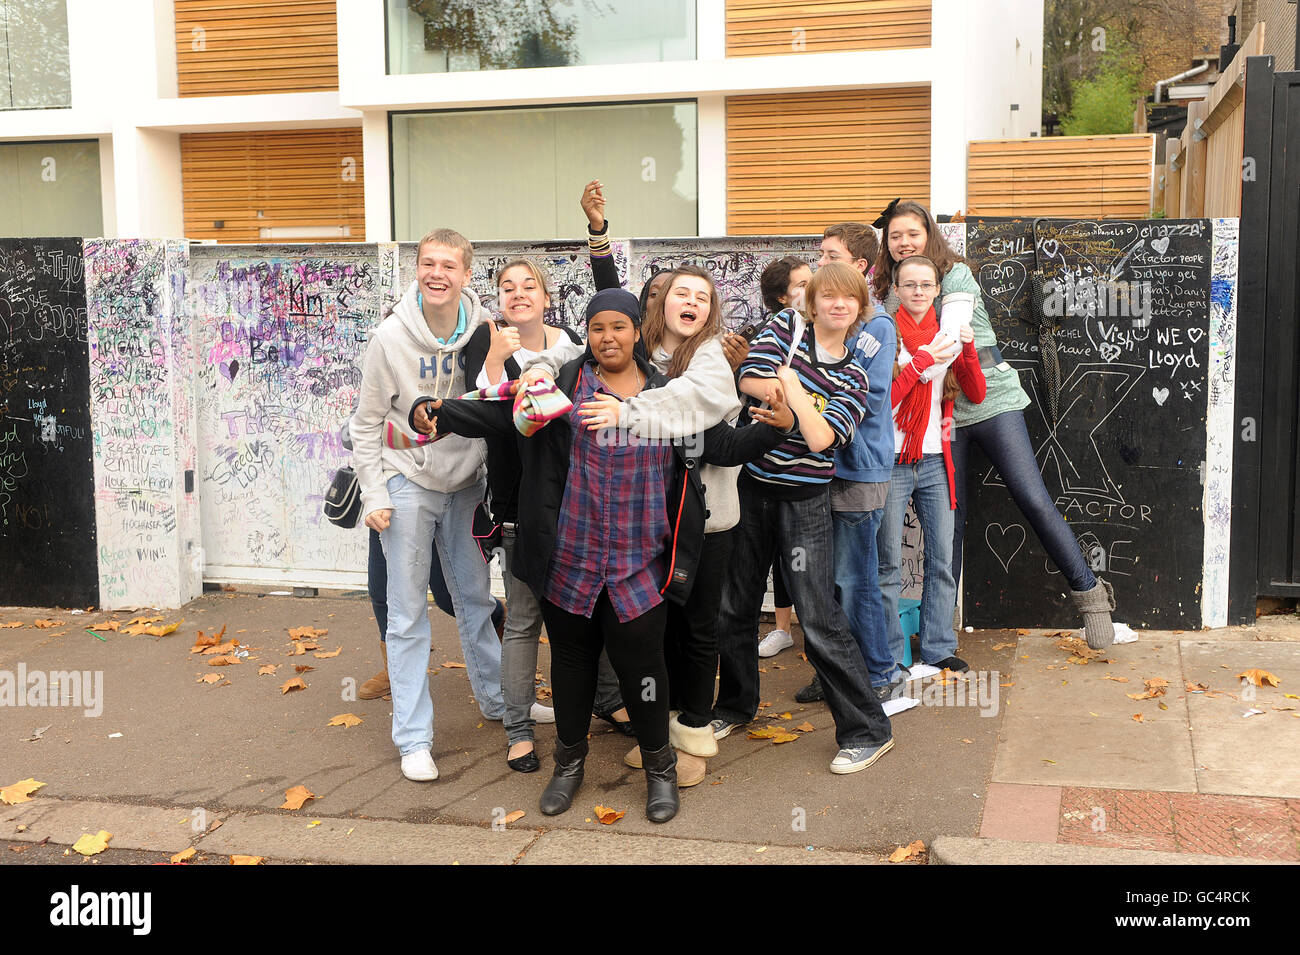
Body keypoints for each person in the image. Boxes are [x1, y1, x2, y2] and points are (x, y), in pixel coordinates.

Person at [417, 288, 787, 822]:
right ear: (586, 335)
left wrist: (773, 432)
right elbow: (500, 415)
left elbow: (721, 447)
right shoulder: (560, 388)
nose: (607, 337)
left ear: (638, 332)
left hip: (642, 561)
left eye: (619, 326)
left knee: (646, 665)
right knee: (570, 663)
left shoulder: (665, 396)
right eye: (597, 328)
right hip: (573, 557)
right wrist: (437, 413)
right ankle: (569, 765)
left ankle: (661, 770)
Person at [871, 199, 1119, 650]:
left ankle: (1092, 598)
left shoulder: (957, 274)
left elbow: (947, 339)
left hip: (989, 397)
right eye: (895, 237)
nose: (905, 243)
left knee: (1031, 496)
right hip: (939, 415)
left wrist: (909, 365)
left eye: (913, 233)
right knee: (950, 519)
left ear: (929, 234)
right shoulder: (892, 293)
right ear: (886, 245)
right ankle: (938, 638)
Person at [712, 262, 895, 775]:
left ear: (859, 309)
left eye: (849, 299)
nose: (838, 305)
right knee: (735, 605)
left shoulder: (856, 372)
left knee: (819, 616)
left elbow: (821, 439)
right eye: (828, 297)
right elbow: (749, 378)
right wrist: (794, 403)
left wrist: (789, 392)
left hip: (806, 500)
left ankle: (868, 730)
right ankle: (734, 706)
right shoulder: (784, 330)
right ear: (811, 303)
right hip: (752, 488)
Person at [461, 258, 630, 772]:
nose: (518, 294)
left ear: (546, 295)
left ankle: (605, 697)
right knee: (524, 619)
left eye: (528, 285)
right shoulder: (487, 344)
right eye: (506, 287)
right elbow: (486, 414)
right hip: (519, 504)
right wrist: (495, 361)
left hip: (578, 502)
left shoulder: (574, 346)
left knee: (590, 609)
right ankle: (518, 728)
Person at [351, 228, 503, 783]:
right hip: (407, 482)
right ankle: (414, 739)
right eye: (427, 264)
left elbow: (504, 393)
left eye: (448, 266)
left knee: (475, 598)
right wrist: (374, 494)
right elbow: (366, 422)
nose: (437, 274)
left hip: (465, 481)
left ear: (466, 274)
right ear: (417, 269)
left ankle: (500, 703)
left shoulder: (485, 332)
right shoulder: (389, 338)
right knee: (408, 610)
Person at [878, 255, 985, 674]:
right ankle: (889, 655)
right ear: (897, 291)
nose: (919, 292)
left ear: (938, 290)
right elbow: (881, 401)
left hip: (936, 460)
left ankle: (939, 646)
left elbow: (975, 393)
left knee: (941, 557)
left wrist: (969, 346)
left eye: (926, 285)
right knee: (886, 561)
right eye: (910, 285)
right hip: (890, 460)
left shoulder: (947, 335)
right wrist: (920, 363)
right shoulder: (885, 334)